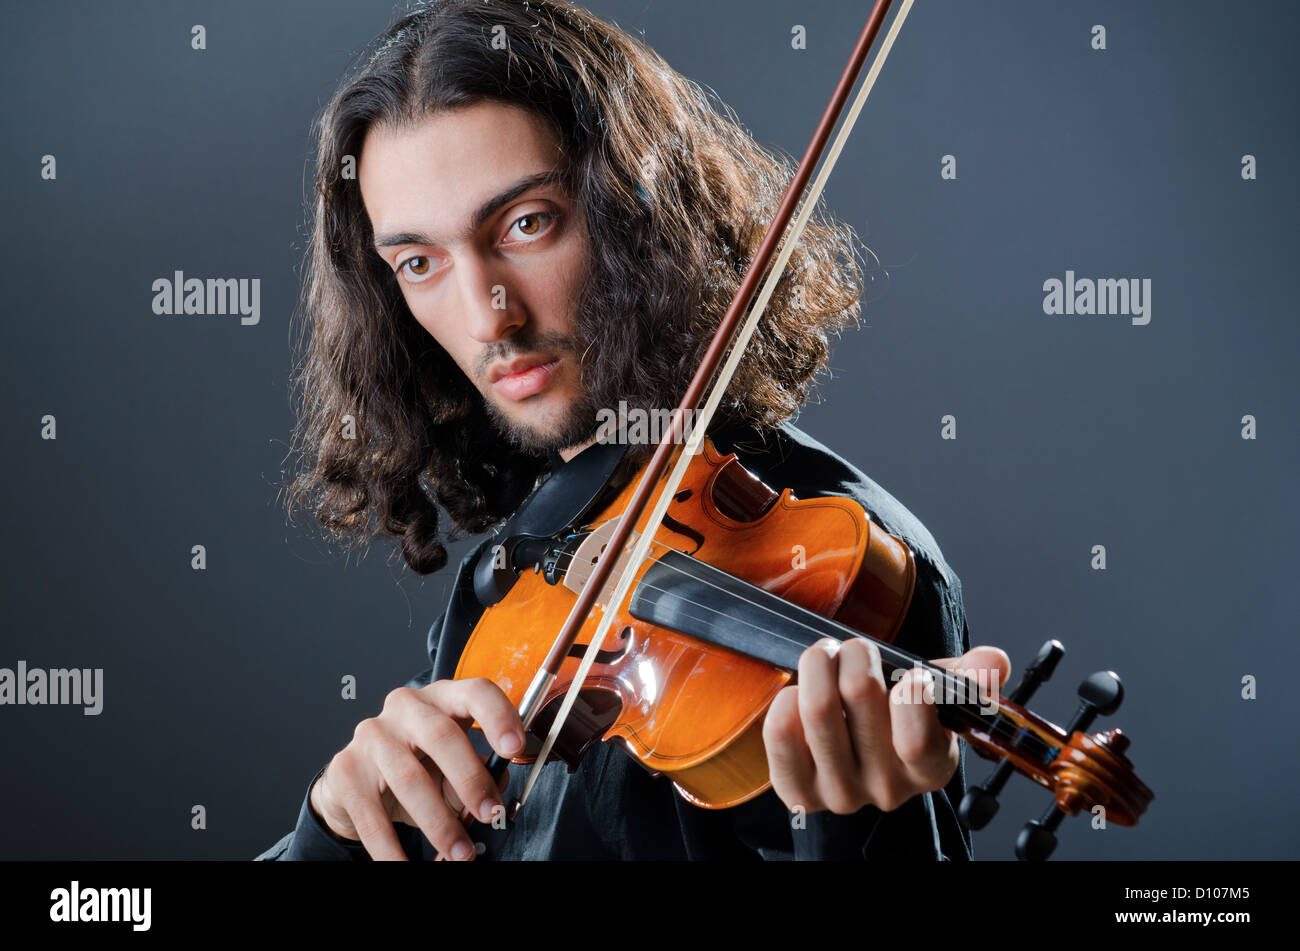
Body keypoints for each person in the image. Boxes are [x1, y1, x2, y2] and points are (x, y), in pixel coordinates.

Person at [257, 0, 1008, 861]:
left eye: (527, 223)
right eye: (419, 262)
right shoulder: (528, 553)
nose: (486, 317)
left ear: (640, 212)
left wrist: (866, 830)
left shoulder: (843, 562)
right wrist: (334, 830)